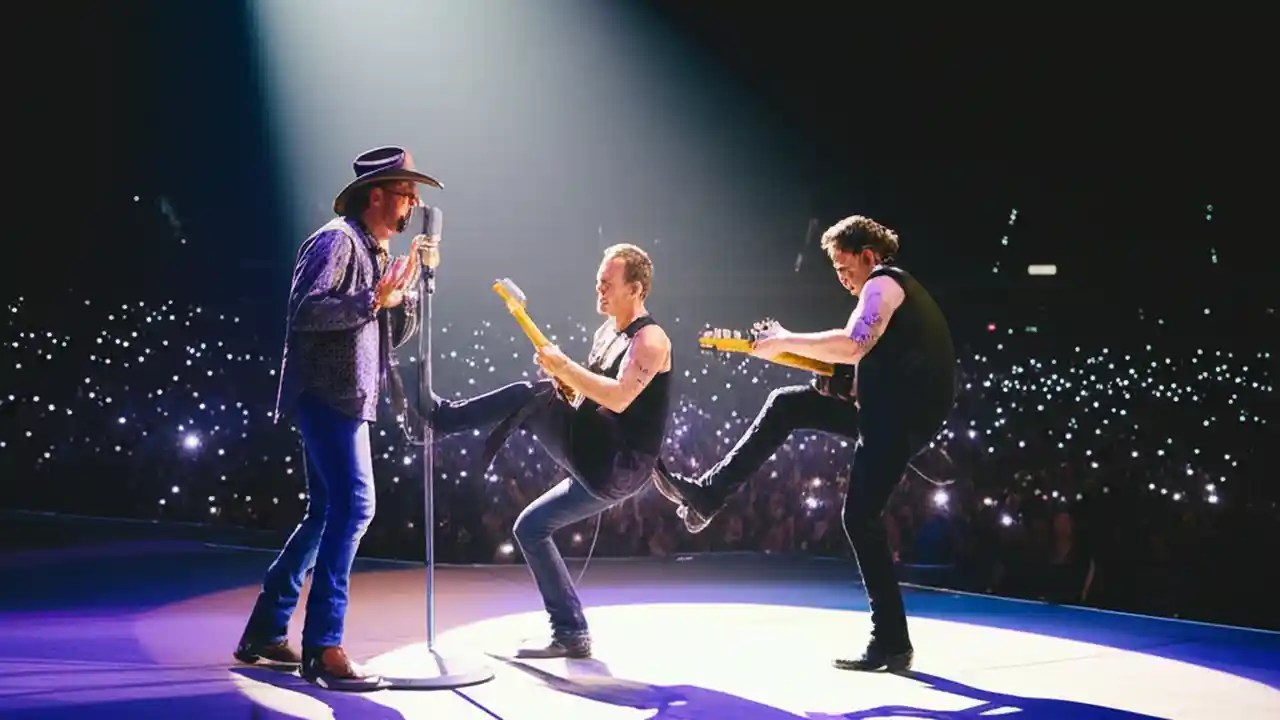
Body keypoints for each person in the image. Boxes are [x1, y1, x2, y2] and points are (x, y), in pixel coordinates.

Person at [654, 214, 955, 672]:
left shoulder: (883, 284)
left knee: (859, 516)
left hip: (898, 419)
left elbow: (854, 345)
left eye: (843, 266)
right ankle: (709, 493)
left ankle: (891, 639)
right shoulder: (887, 295)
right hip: (885, 410)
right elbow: (868, 368)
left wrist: (783, 340)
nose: (841, 278)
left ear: (868, 255)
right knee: (787, 404)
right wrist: (840, 387)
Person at [234, 145, 440, 691]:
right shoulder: (337, 241)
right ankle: (323, 646)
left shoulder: (373, 250)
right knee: (356, 506)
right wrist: (374, 299)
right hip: (326, 394)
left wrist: (406, 295)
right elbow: (305, 311)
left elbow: (385, 332)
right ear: (376, 195)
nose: (412, 206)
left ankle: (265, 630)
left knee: (327, 513)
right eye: (406, 195)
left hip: (349, 398)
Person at [433, 243, 672, 658]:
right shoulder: (606, 333)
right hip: (598, 455)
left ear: (635, 289)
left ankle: (442, 420)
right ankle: (571, 631)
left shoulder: (651, 340)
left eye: (607, 283)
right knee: (530, 527)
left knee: (530, 395)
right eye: (598, 281)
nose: (598, 289)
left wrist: (564, 371)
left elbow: (617, 399)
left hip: (618, 464)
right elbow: (587, 399)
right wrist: (565, 381)